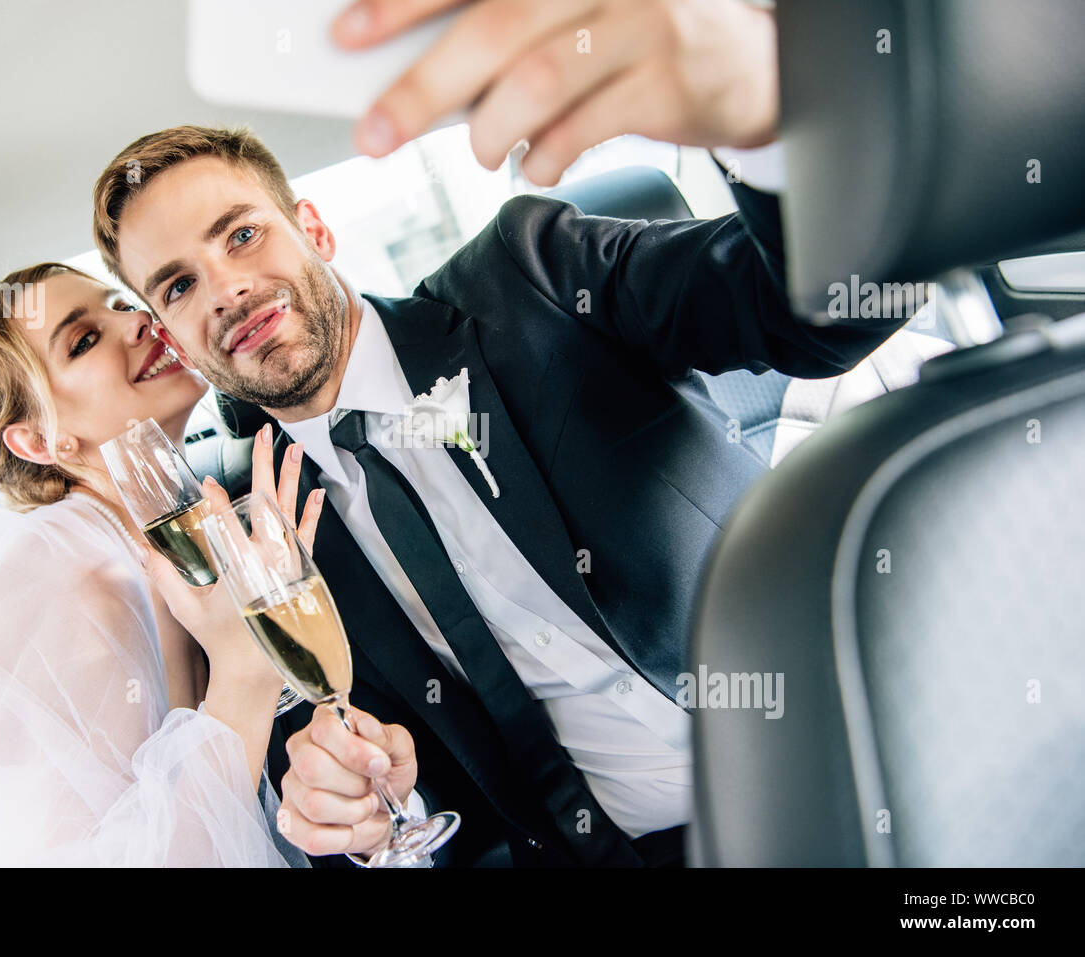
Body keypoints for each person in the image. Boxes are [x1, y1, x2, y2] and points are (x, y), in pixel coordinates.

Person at [86, 7, 910, 868]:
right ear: (175, 340)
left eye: (243, 234)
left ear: (316, 232)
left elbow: (820, 316)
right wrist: (366, 816)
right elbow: (427, 800)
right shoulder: (261, 537)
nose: (225, 290)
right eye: (178, 286)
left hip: (855, 743)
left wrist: (766, 112)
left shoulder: (528, 276)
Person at [0, 263, 322, 867]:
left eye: (119, 304)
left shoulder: (158, 530)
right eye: (84, 340)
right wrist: (248, 669)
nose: (138, 321)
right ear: (40, 441)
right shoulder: (72, 579)